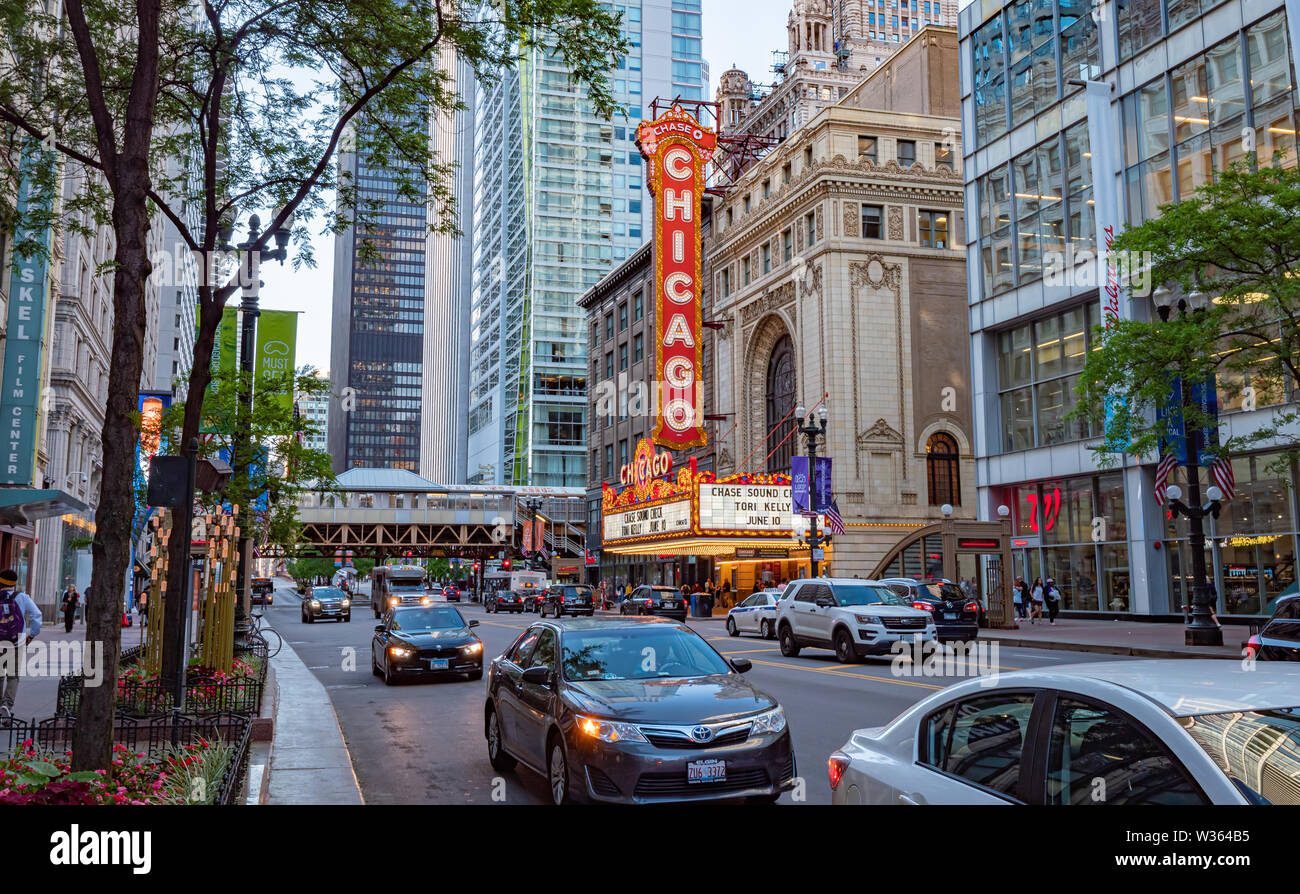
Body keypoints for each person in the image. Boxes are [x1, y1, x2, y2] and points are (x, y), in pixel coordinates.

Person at [0, 568, 41, 726]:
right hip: (16, 643)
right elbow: (37, 615)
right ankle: (7, 704)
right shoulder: (22, 597)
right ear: (14, 584)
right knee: (13, 675)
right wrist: (32, 634)